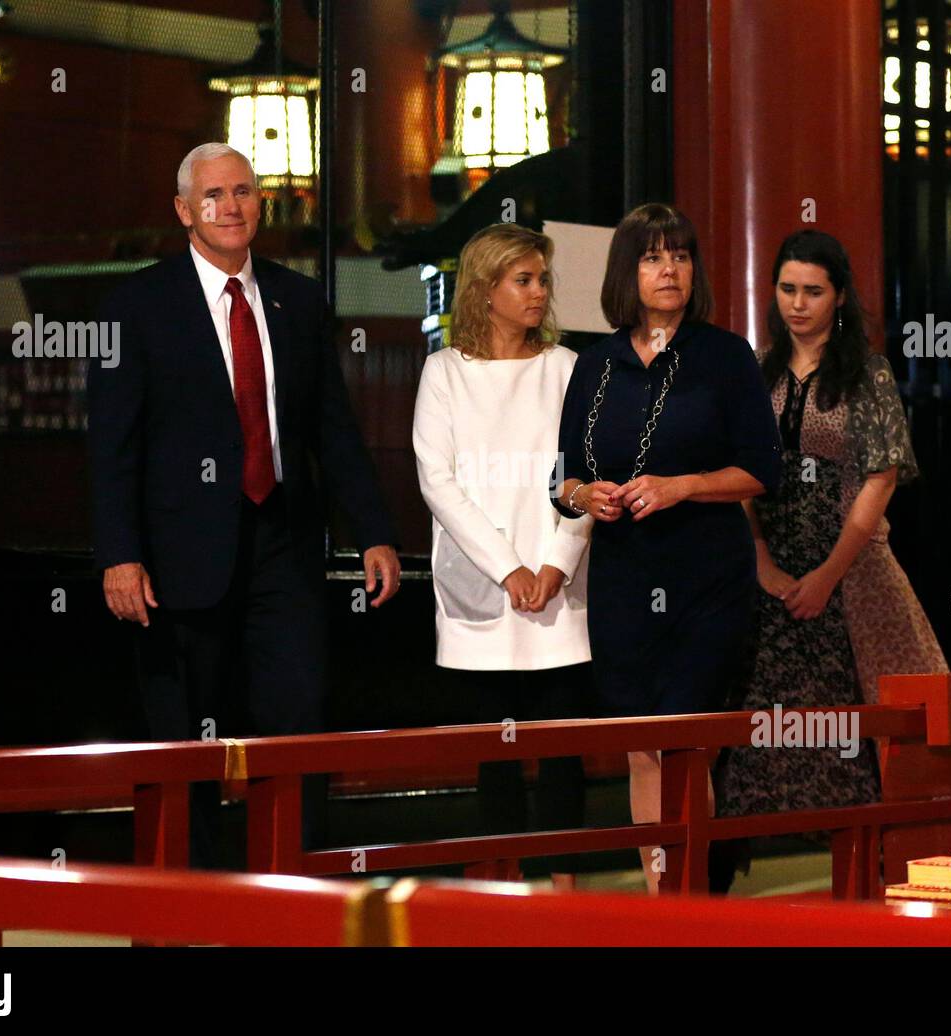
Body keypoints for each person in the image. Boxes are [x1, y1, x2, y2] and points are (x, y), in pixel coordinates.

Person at [87, 142, 401, 868]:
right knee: (186, 743)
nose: (231, 207)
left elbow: (334, 429)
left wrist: (373, 534)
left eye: (244, 193)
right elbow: (111, 448)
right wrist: (119, 555)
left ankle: (293, 892)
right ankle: (185, 902)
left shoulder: (297, 299)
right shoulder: (137, 305)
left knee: (297, 726)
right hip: (175, 560)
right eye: (214, 196)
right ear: (183, 211)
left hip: (283, 546)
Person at [552, 203, 782, 894]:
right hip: (623, 577)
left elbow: (762, 470)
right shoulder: (594, 362)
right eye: (653, 257)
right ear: (629, 271)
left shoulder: (725, 356)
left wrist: (683, 486)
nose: (670, 269)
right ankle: (662, 904)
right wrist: (585, 496)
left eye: (680, 255)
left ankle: (690, 907)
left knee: (683, 742)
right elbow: (560, 477)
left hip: (705, 577)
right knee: (641, 745)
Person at [714, 229, 948, 879]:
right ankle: (713, 905)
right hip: (768, 568)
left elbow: (881, 477)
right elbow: (736, 472)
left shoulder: (866, 371)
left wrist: (826, 575)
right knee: (750, 738)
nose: (798, 304)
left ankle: (881, 886)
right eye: (787, 289)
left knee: (871, 735)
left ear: (839, 296)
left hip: (854, 568)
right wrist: (760, 560)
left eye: (813, 291)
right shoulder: (755, 370)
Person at [413, 223, 593, 890]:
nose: (539, 292)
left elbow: (587, 471)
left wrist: (553, 562)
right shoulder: (443, 372)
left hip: (557, 587)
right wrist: (508, 568)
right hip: (480, 592)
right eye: (525, 280)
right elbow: (439, 481)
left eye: (543, 280)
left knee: (562, 753)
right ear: (486, 289)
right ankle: (502, 891)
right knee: (494, 754)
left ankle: (564, 893)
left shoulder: (568, 368)